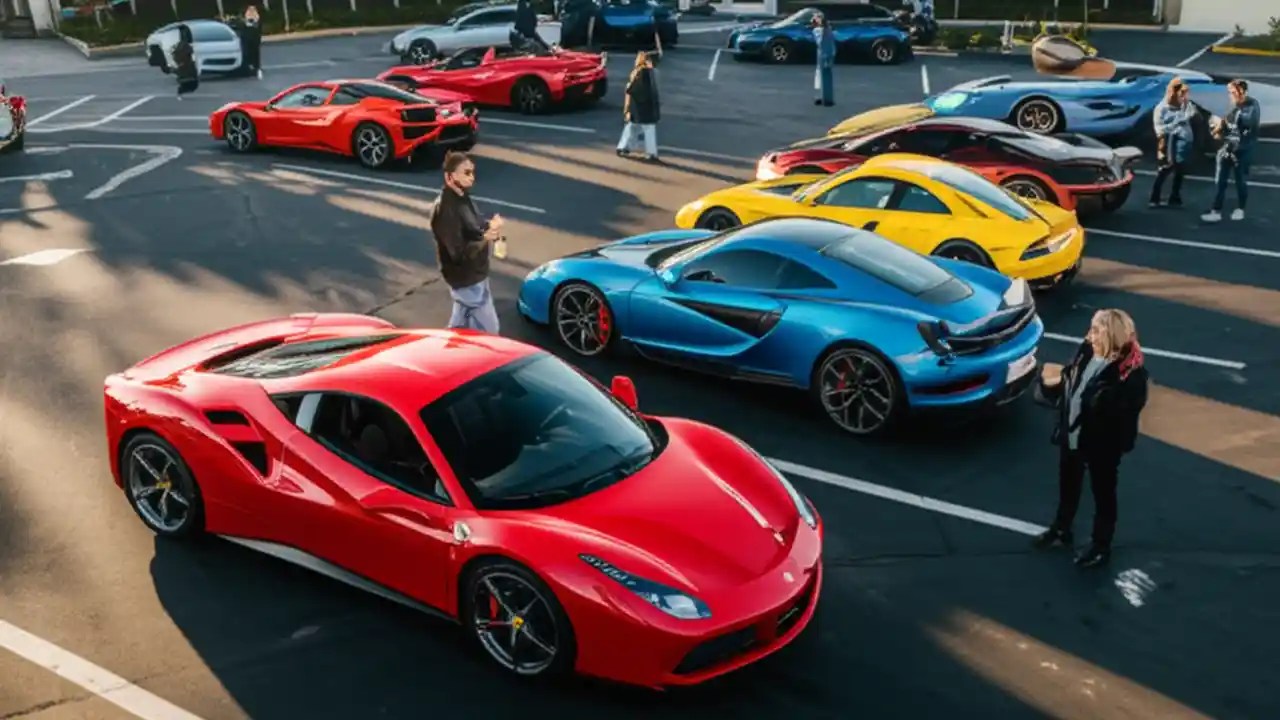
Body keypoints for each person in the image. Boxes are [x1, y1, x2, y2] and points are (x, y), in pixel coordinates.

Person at [1032, 309, 1149, 569]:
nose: (1089, 335)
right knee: (1068, 483)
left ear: (1112, 335)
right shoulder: (1087, 350)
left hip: (1102, 444)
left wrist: (1097, 404)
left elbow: (1122, 414)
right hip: (1073, 434)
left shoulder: (1130, 376)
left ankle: (1100, 545)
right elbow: (1073, 379)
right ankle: (1062, 529)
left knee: (1103, 494)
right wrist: (1055, 382)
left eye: (1096, 331)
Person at [429, 151, 504, 333]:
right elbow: (458, 253)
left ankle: (444, 353)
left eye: (472, 172)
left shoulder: (462, 198)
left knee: (460, 327)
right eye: (466, 173)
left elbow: (474, 226)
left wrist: (489, 226)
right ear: (450, 176)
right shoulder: (446, 209)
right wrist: (485, 237)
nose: (472, 178)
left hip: (476, 273)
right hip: (465, 278)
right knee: (491, 331)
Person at [1202, 79, 1261, 223]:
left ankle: (1240, 208)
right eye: (1230, 93)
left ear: (1243, 92)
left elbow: (1248, 123)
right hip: (1225, 148)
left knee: (1240, 180)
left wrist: (1228, 115)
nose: (1231, 95)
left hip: (1242, 149)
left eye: (1234, 92)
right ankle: (1216, 210)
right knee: (1220, 181)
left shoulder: (1251, 105)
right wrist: (1216, 126)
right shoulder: (1227, 105)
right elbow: (1215, 123)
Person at [1149, 77, 1194, 209]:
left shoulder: (1185, 105)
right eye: (1181, 94)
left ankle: (1175, 197)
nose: (1183, 97)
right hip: (1171, 139)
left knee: (1180, 169)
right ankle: (1154, 197)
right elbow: (1160, 129)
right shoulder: (1161, 108)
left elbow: (1192, 114)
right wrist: (1161, 149)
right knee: (1167, 167)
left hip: (1185, 140)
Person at [616, 51, 660, 162]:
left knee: (631, 128)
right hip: (647, 108)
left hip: (637, 108)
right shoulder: (649, 73)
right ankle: (651, 152)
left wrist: (627, 109)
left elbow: (631, 90)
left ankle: (624, 147)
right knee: (648, 129)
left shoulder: (639, 72)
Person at [812, 12, 835, 107]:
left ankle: (823, 97)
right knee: (824, 75)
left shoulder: (822, 30)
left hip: (824, 53)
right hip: (825, 53)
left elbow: (823, 42)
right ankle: (824, 97)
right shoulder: (821, 30)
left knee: (823, 74)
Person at [171, 24, 199, 99]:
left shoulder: (183, 45)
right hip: (185, 65)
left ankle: (183, 90)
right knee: (188, 79)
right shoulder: (182, 46)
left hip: (186, 65)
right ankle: (182, 90)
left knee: (189, 79)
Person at [242, 5, 264, 79]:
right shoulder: (245, 20)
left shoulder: (257, 19)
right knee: (247, 54)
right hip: (247, 40)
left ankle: (257, 69)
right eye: (250, 10)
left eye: (253, 10)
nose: (251, 12)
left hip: (255, 40)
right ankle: (250, 68)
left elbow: (259, 29)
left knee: (256, 54)